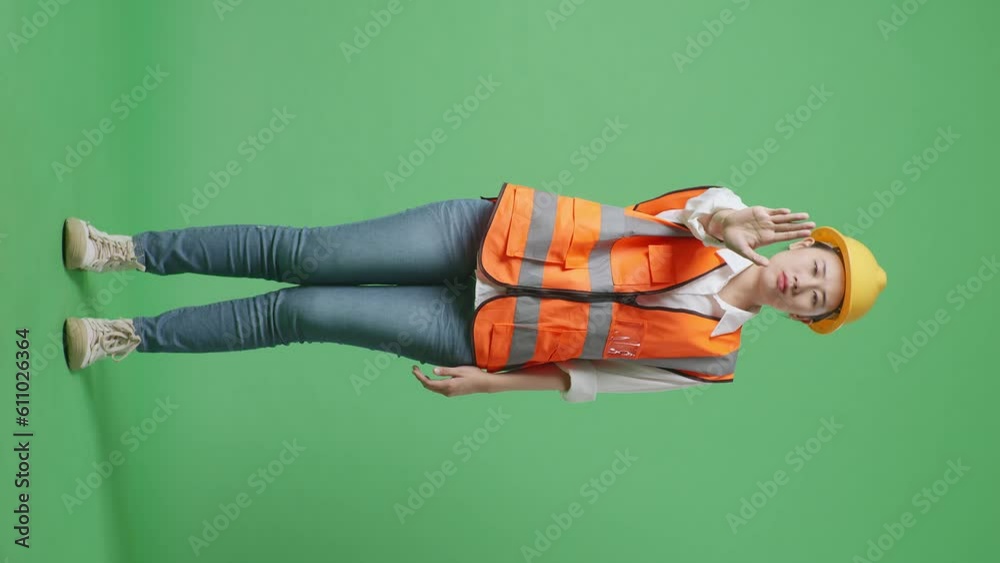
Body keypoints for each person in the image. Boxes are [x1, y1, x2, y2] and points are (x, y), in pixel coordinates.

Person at [62, 182, 887, 402]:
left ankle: (126, 335)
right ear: (807, 246)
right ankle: (123, 249)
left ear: (805, 319)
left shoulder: (715, 362)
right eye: (819, 268)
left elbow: (593, 376)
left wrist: (488, 381)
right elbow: (689, 209)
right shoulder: (727, 212)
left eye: (819, 300)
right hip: (493, 233)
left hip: (481, 330)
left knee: (301, 311)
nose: (806, 285)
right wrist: (729, 221)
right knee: (305, 253)